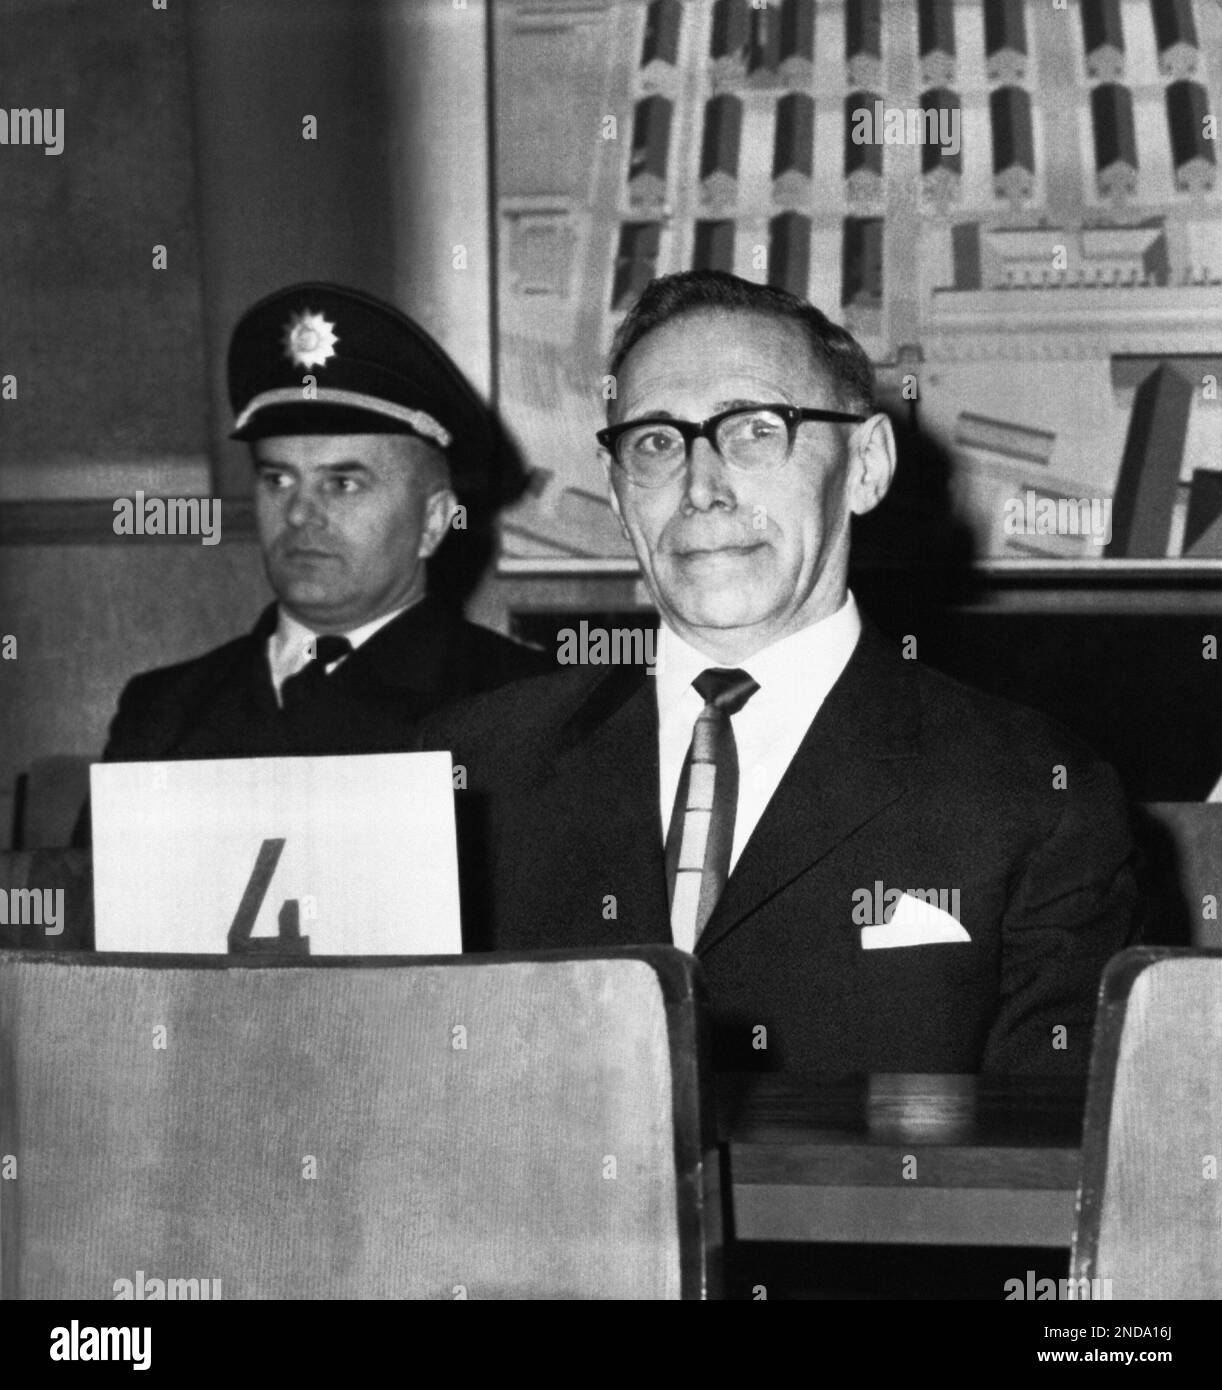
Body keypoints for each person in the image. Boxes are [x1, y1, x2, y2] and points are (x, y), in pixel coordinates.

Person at [417, 270, 1140, 1076]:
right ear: (620, 496)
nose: (703, 488)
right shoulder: (466, 775)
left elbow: (1049, 1170)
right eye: (655, 441)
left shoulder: (1037, 797)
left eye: (756, 430)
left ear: (866, 465)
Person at [94, 283, 548, 768]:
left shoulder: (526, 709)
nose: (298, 513)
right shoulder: (162, 711)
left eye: (343, 483)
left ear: (434, 521)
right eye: (278, 479)